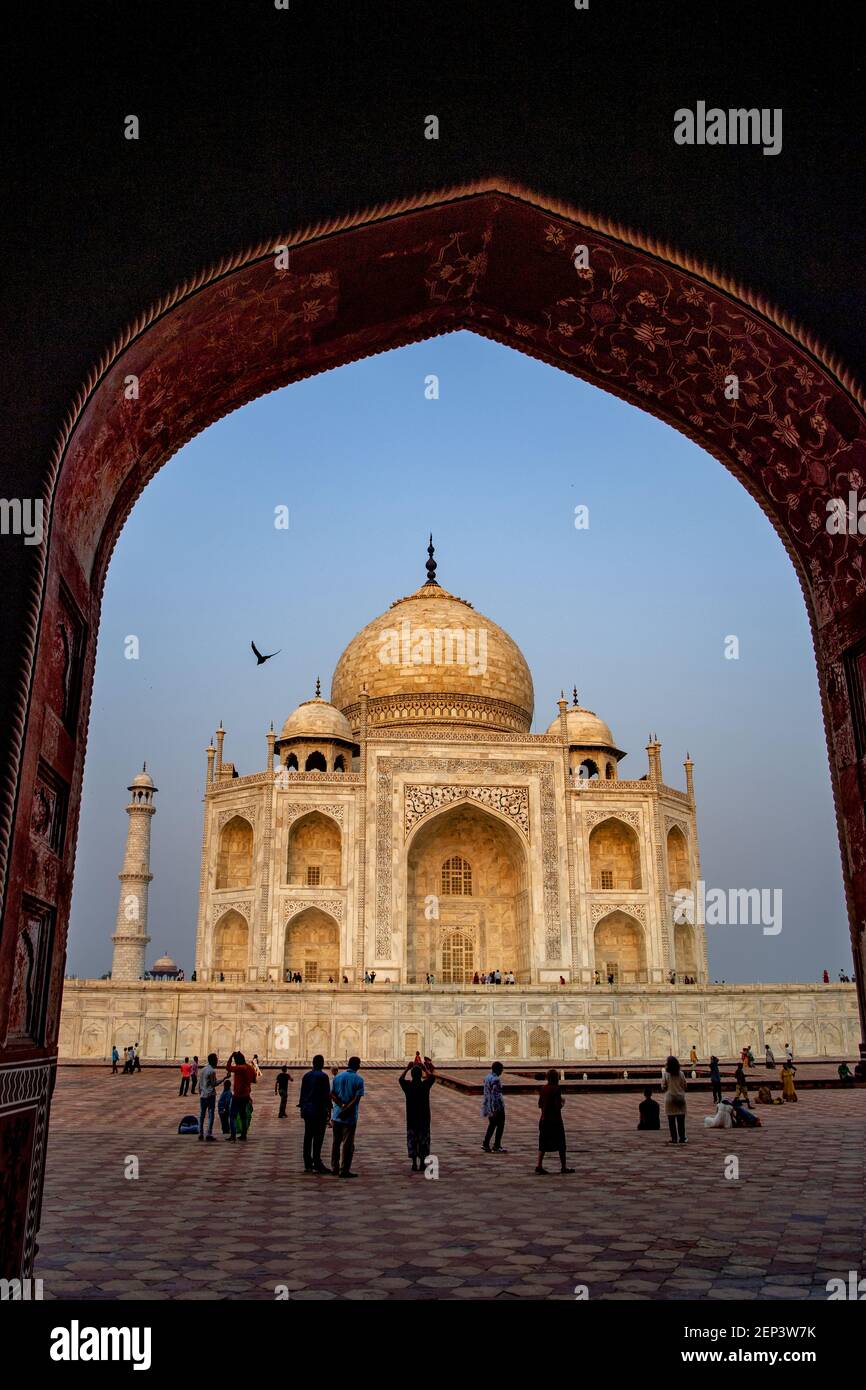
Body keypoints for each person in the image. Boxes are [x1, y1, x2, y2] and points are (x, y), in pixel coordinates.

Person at [399, 1060, 436, 1172]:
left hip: (412, 1118)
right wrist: (425, 1069)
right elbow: (432, 1078)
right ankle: (422, 1164)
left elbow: (400, 1080)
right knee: (423, 1141)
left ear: (412, 1075)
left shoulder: (408, 1087)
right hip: (424, 1118)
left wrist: (407, 1068)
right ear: (421, 1075)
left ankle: (414, 1163)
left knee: (412, 1140)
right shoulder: (424, 1086)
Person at [330, 1057, 365, 1177]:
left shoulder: (337, 1077)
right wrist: (346, 1109)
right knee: (347, 1144)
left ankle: (334, 1167)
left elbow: (332, 1094)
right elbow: (356, 1099)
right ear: (358, 1066)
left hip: (336, 1115)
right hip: (349, 1117)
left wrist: (340, 1105)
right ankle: (344, 1169)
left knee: (336, 1142)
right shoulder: (359, 1080)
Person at [535, 1068, 574, 1173]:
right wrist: (562, 1103)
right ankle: (564, 1167)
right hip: (555, 1120)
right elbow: (557, 1107)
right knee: (561, 1144)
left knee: (543, 1143)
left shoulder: (543, 1088)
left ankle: (539, 1165)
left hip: (543, 1119)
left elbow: (539, 1104)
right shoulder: (556, 1089)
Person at [298, 1054, 332, 1173]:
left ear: (313, 1063)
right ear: (322, 1064)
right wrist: (329, 1110)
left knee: (308, 1136)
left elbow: (302, 1094)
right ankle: (317, 1162)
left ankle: (307, 1163)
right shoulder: (323, 1076)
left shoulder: (306, 1076)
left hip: (307, 1109)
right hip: (318, 1110)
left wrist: (302, 1108)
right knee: (318, 1137)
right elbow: (326, 1095)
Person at [225, 1051, 258, 1141]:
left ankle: (233, 1135)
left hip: (238, 1095)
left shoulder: (240, 1068)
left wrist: (231, 1057)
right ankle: (244, 1134)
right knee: (243, 1115)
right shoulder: (249, 1068)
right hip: (246, 1095)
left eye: (235, 1060)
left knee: (233, 1116)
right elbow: (254, 1080)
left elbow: (227, 1068)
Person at [481, 1061, 507, 1153]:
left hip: (488, 1105)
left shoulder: (487, 1077)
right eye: (501, 1069)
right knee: (500, 1125)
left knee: (492, 1125)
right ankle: (497, 1145)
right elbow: (495, 1095)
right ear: (497, 1069)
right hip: (497, 1107)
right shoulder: (496, 1079)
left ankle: (486, 1143)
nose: (502, 1071)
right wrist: (495, 1109)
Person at [662, 1055, 687, 1143]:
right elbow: (685, 1085)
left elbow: (663, 1086)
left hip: (670, 1099)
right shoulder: (681, 1073)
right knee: (681, 1121)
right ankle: (682, 1137)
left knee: (671, 1121)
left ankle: (674, 1138)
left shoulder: (666, 1074)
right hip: (680, 1098)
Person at [198, 1052, 218, 1141]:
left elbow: (200, 1083)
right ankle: (209, 1133)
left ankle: (200, 1133)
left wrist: (201, 1092)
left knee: (202, 1115)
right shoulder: (212, 1071)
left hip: (203, 1095)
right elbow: (214, 1084)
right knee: (211, 1115)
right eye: (216, 1060)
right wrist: (224, 1079)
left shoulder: (203, 1069)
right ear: (213, 1061)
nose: (217, 1061)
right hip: (210, 1095)